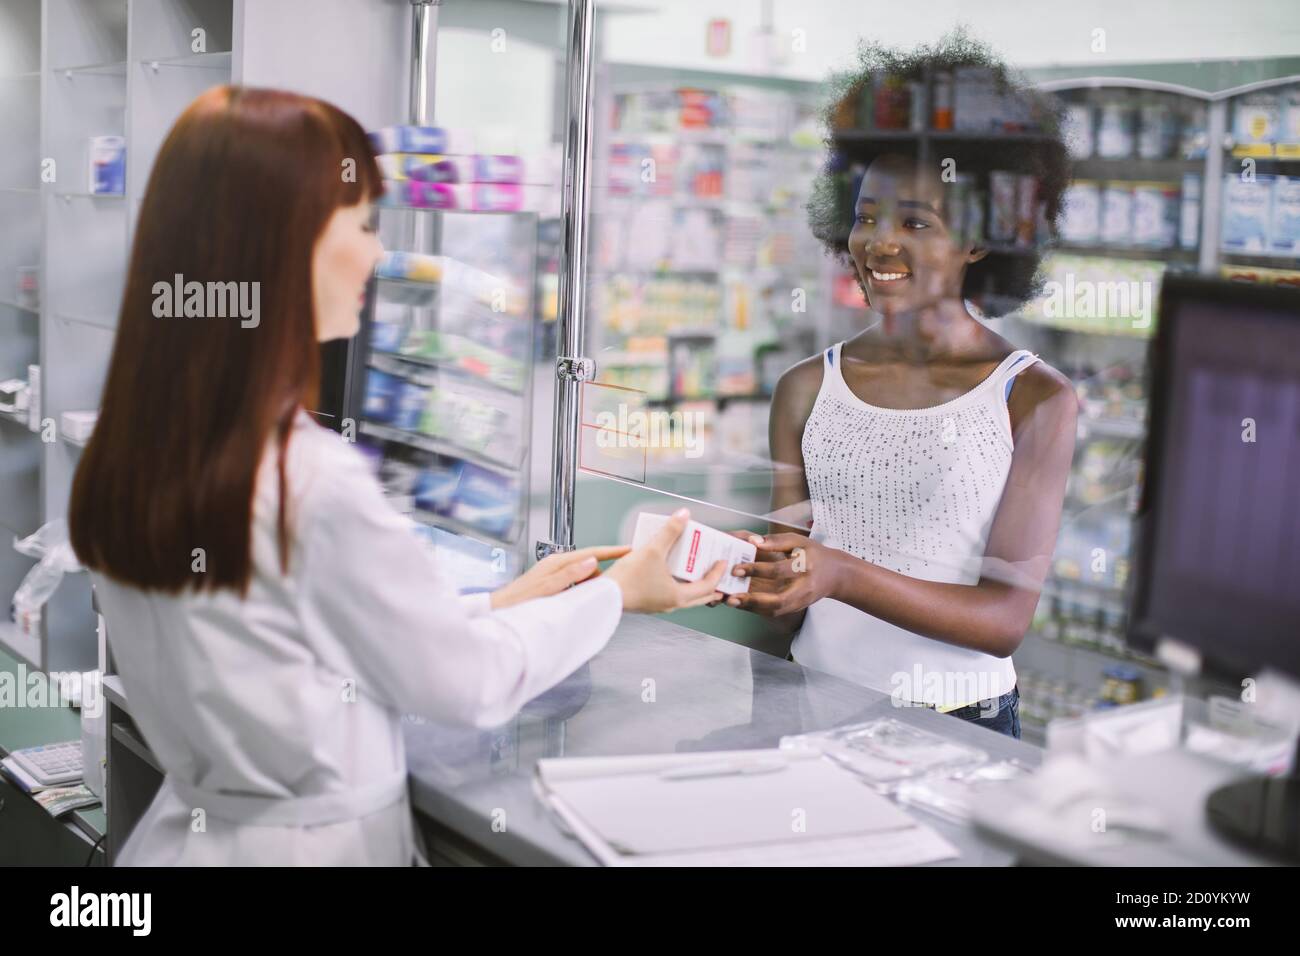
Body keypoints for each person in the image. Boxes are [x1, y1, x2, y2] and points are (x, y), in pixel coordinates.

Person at [68, 86, 726, 866]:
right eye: (363, 225)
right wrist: (617, 594)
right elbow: (467, 685)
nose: (377, 255)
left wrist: (495, 604)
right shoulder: (306, 475)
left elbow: (287, 634)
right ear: (281, 245)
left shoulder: (139, 441)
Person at [725, 34, 1078, 738]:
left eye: (916, 222)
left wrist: (840, 574)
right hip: (809, 702)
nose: (879, 244)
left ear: (980, 239)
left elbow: (1003, 621)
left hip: (957, 727)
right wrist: (740, 573)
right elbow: (794, 585)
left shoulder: (1032, 399)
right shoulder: (805, 388)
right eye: (865, 217)